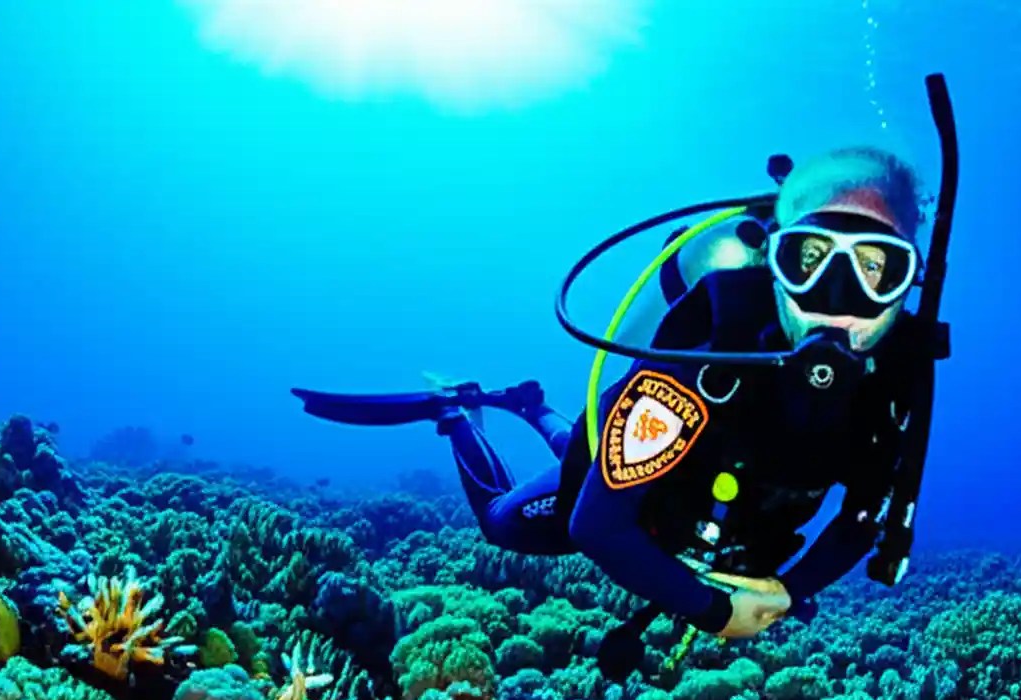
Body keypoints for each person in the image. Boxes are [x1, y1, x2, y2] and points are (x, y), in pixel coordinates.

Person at [293, 146, 932, 643]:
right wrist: (717, 612)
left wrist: (788, 592)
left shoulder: (894, 391)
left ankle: (528, 403)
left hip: (677, 483)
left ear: (909, 284)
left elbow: (864, 520)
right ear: (773, 265)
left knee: (591, 440)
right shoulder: (703, 362)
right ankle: (456, 412)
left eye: (875, 268)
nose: (838, 304)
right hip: (638, 497)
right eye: (810, 258)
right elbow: (595, 523)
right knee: (504, 522)